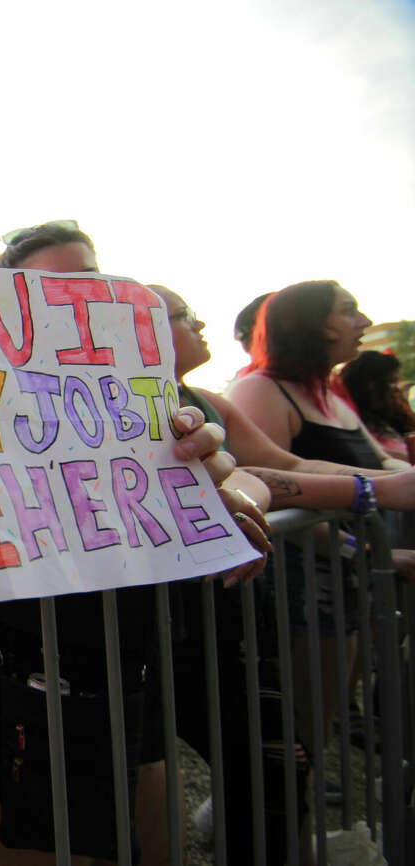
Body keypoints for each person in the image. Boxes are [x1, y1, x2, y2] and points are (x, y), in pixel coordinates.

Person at [0, 221, 267, 866]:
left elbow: (238, 467)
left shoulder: (139, 390)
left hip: (122, 650)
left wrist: (224, 494)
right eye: (52, 289)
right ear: (0, 308)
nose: (74, 303)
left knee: (156, 847)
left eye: (91, 282)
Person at [153, 283, 415, 863]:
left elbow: (273, 470)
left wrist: (381, 488)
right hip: (186, 615)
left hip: (231, 609)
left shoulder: (205, 398)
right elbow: (252, 478)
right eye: (182, 316)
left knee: (281, 755)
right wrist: (375, 492)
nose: (200, 324)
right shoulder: (246, 391)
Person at [225, 281, 411, 757]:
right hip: (297, 589)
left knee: (320, 721)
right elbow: (264, 479)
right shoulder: (259, 391)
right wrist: (367, 549)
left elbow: (381, 468)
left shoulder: (330, 393)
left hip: (344, 581)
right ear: (308, 325)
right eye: (348, 311)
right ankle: (265, 819)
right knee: (294, 730)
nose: (363, 322)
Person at [339, 350, 415, 462]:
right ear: (370, 385)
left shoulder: (395, 417)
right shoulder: (351, 423)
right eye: (391, 382)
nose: (396, 389)